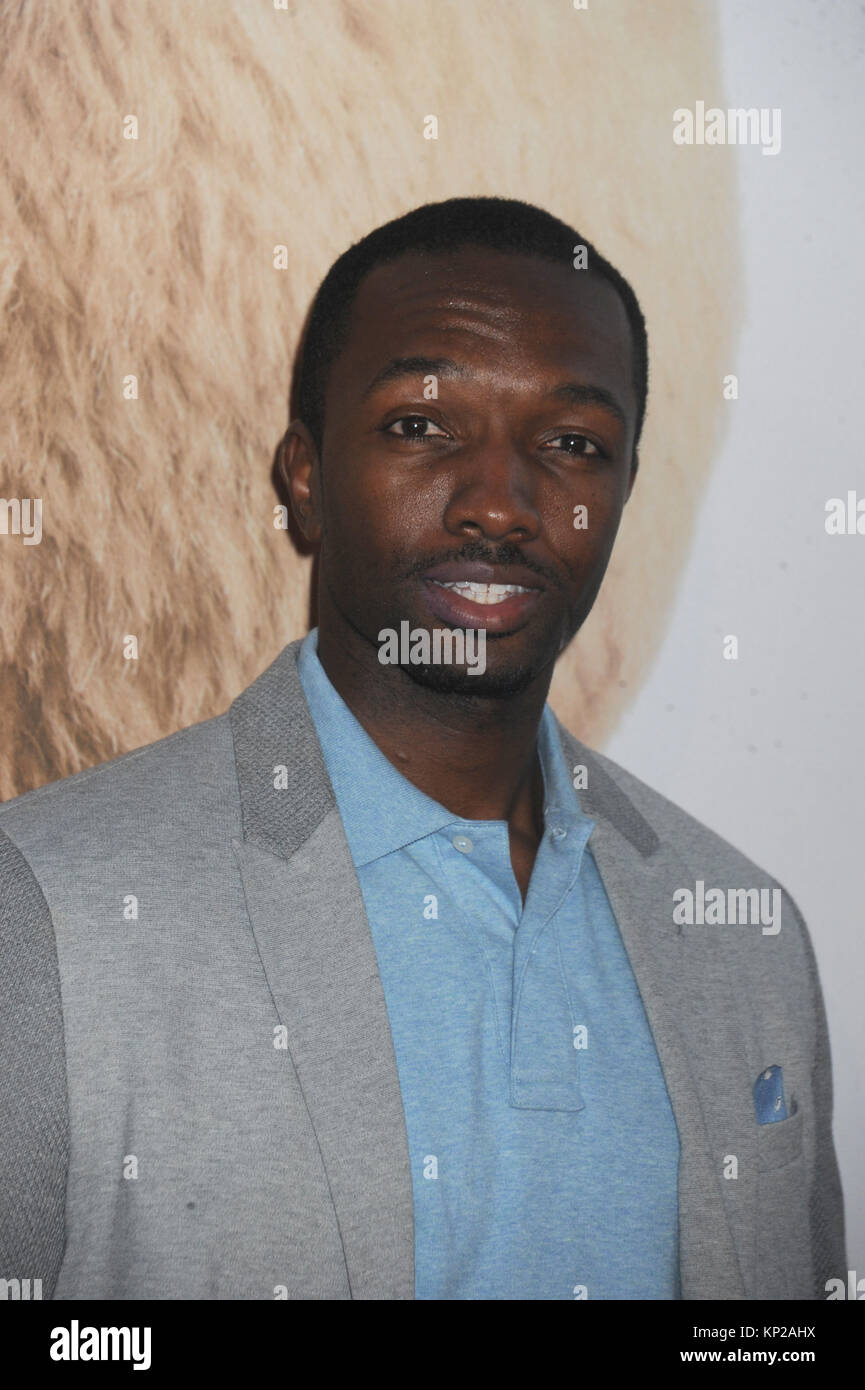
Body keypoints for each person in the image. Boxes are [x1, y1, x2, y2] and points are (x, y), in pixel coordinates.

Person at [0, 197, 845, 1301]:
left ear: (625, 489)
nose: (499, 503)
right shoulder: (50, 906)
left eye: (573, 443)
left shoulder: (744, 931)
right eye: (420, 425)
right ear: (303, 473)